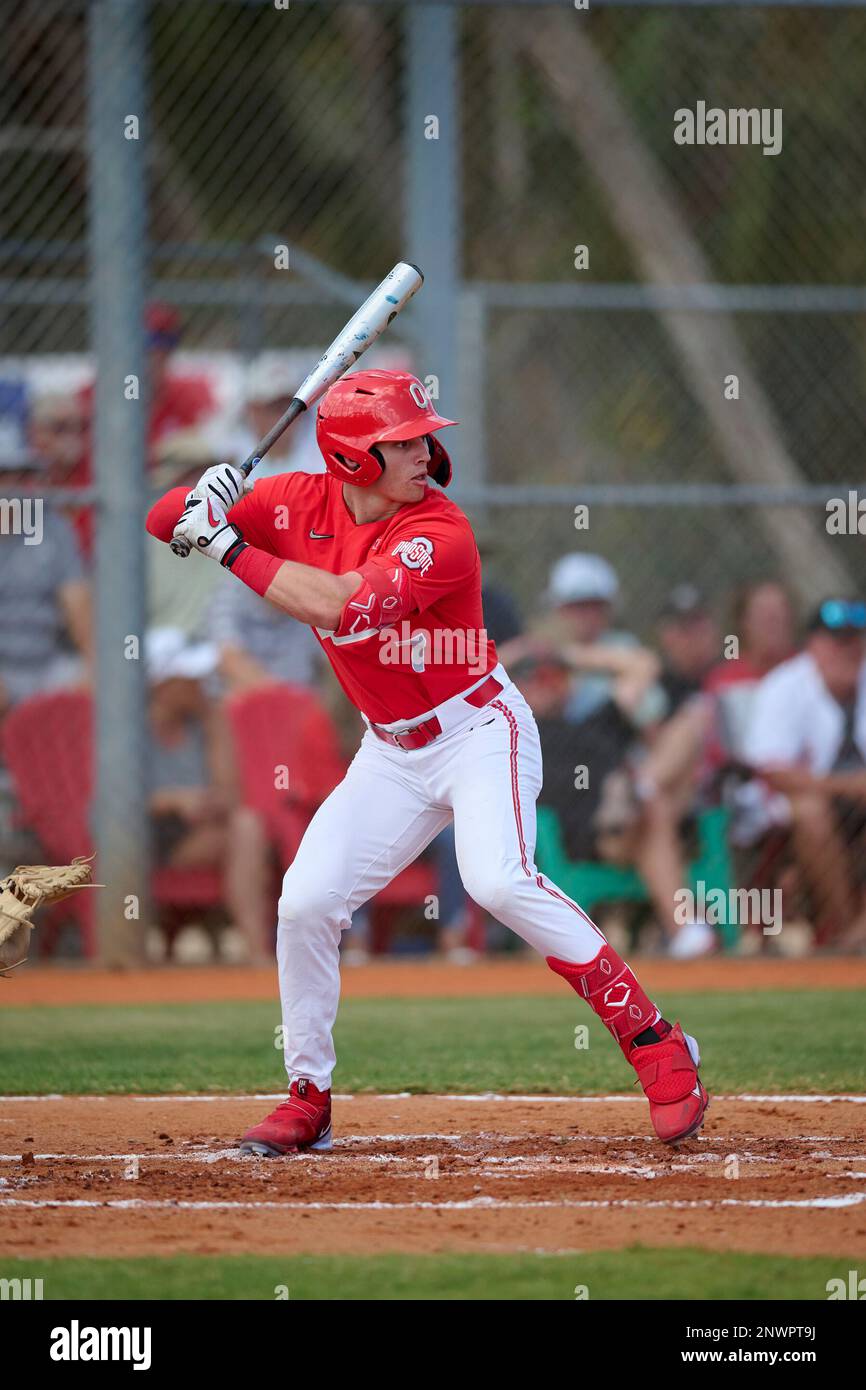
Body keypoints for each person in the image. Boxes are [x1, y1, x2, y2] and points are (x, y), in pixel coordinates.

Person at [147, 369, 709, 1152]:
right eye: (400, 442)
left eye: (421, 437)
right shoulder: (292, 502)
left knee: (496, 879)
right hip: (390, 752)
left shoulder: (440, 533)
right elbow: (159, 517)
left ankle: (654, 1039)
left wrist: (226, 542)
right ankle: (308, 1095)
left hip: (479, 730)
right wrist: (203, 494)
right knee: (304, 904)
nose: (424, 451)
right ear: (351, 460)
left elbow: (339, 605)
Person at [744, 599, 866, 946]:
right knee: (810, 809)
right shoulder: (786, 685)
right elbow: (772, 772)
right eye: (837, 640)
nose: (849, 649)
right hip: (791, 813)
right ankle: (845, 933)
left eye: (855, 639)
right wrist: (847, 786)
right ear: (812, 644)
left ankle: (855, 940)